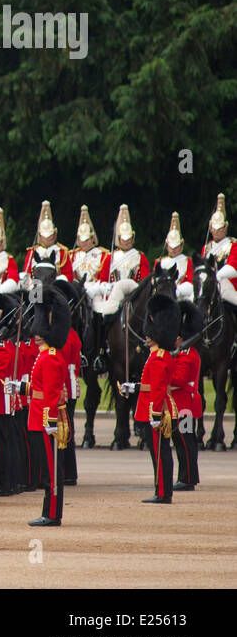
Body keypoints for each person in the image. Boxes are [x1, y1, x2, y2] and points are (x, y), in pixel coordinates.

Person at [5, 292, 71, 526]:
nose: (36, 337)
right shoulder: (45, 356)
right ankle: (48, 511)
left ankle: (52, 514)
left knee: (51, 470)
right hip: (40, 416)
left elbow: (52, 394)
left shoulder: (50, 357)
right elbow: (41, 387)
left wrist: (49, 419)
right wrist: (21, 387)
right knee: (47, 468)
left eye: (40, 334)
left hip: (46, 419)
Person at [120, 295, 180, 504]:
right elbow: (149, 385)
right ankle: (161, 489)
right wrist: (134, 387)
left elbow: (158, 389)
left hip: (157, 411)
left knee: (160, 453)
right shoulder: (157, 355)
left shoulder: (161, 357)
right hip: (153, 408)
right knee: (158, 453)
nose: (146, 337)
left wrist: (154, 414)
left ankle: (163, 492)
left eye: (150, 334)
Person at [170, 301, 203, 491]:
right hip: (183, 405)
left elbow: (179, 380)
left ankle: (188, 478)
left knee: (185, 442)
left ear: (181, 338)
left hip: (184, 405)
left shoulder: (186, 355)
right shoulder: (183, 352)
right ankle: (187, 477)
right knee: (182, 442)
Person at [22, 200, 73, 284]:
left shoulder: (62, 252)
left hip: (56, 286)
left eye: (50, 235)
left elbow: (69, 275)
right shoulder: (32, 252)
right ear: (40, 236)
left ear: (54, 234)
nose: (48, 238)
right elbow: (27, 273)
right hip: (36, 286)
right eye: (45, 236)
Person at [200, 193, 237, 305]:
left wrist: (218, 276)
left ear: (225, 227)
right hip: (208, 284)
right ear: (210, 228)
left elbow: (233, 267)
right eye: (214, 229)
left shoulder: (233, 245)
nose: (216, 232)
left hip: (227, 285)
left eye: (220, 228)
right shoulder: (206, 248)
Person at [155, 212, 194, 301]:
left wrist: (177, 290)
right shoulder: (159, 262)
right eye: (171, 246)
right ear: (167, 246)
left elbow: (192, 284)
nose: (173, 249)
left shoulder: (188, 261)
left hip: (182, 297)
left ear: (181, 245)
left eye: (176, 247)